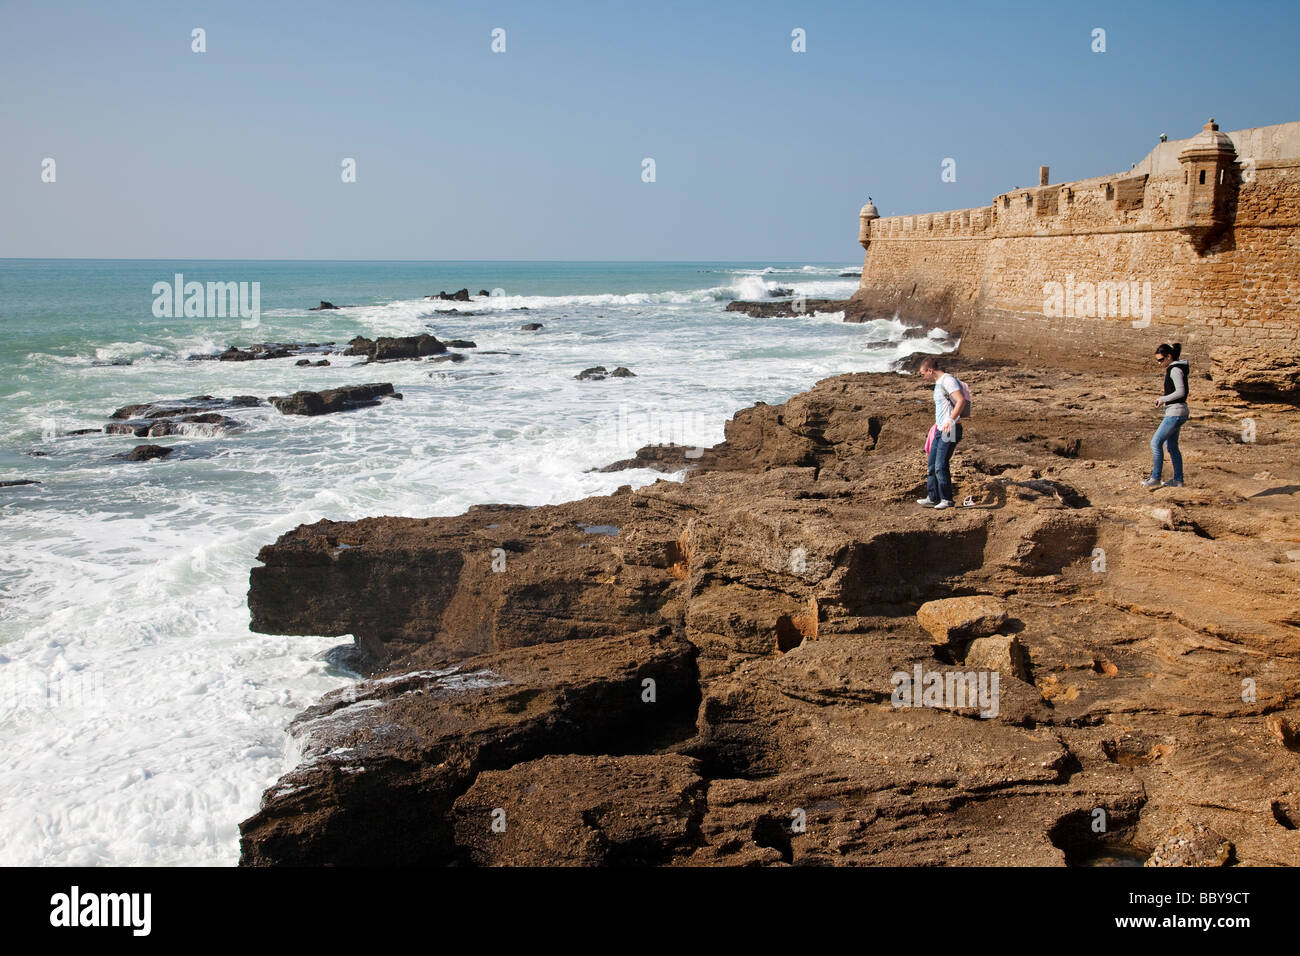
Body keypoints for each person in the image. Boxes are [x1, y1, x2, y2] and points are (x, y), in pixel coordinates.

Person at [917, 355, 967, 509]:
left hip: (950, 429)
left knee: (940, 465)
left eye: (923, 373)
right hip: (940, 429)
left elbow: (961, 400)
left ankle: (947, 499)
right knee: (932, 464)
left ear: (930, 370)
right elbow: (943, 407)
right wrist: (937, 424)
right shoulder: (939, 383)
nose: (923, 376)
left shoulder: (947, 380)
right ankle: (933, 497)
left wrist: (950, 420)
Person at [1142, 343, 1189, 488]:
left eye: (1161, 360)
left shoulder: (1174, 369)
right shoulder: (1177, 368)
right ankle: (1178, 481)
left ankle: (1155, 478)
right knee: (1172, 446)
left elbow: (1181, 392)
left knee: (1155, 443)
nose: (1159, 363)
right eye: (1157, 360)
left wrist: (1162, 399)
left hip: (1176, 412)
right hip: (1177, 411)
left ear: (1169, 357)